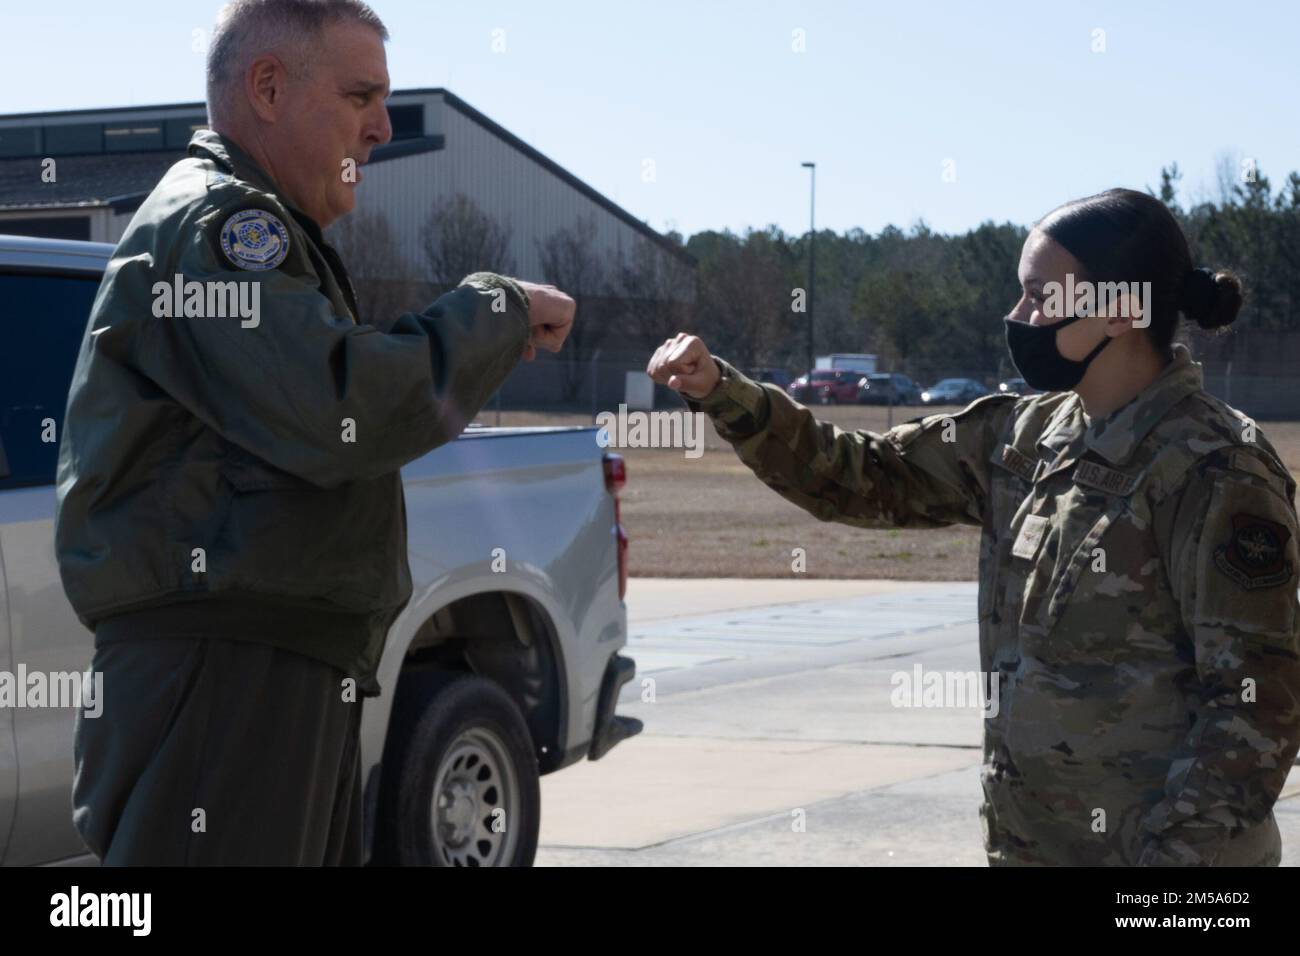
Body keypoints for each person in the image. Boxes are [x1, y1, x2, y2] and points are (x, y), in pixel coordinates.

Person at [55, 0, 573, 865]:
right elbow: (344, 406)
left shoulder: (257, 229)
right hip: (227, 674)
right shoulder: (220, 228)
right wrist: (496, 311)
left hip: (268, 666)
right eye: (360, 96)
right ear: (267, 87)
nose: (379, 129)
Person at [647, 187, 1300, 866]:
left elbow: (1256, 707)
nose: (1017, 316)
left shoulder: (1216, 469)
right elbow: (855, 475)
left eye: (1039, 297)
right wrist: (721, 392)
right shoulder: (1022, 437)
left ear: (1119, 310)